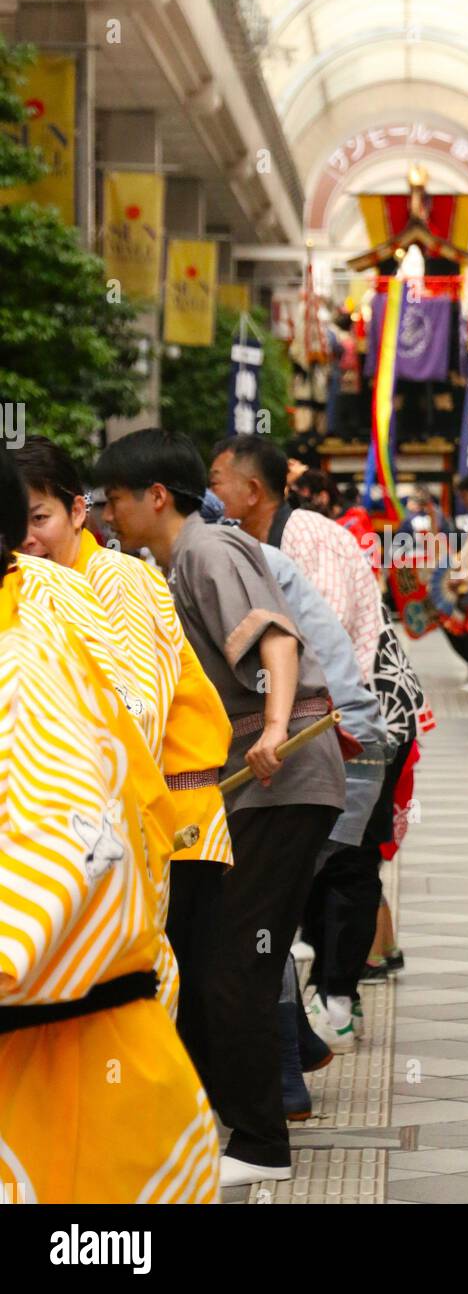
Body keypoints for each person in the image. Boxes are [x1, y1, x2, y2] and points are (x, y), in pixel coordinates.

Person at [93, 428, 346, 1189]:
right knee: (215, 956)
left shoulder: (205, 551)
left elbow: (276, 641)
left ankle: (261, 1142)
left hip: (279, 776)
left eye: (113, 501)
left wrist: (273, 730)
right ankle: (234, 1120)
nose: (107, 516)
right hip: (255, 780)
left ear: (155, 497)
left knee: (237, 961)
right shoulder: (176, 559)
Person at [0, 448, 219, 1204]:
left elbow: (128, 724)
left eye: (42, 516)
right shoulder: (48, 599)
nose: (33, 534)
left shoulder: (61, 617)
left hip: (76, 980)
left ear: (75, 511)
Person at [209, 434, 382, 684]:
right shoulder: (237, 539)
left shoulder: (310, 534)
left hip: (348, 695)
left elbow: (328, 630)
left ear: (253, 491)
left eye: (215, 484)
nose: (210, 495)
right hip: (297, 689)